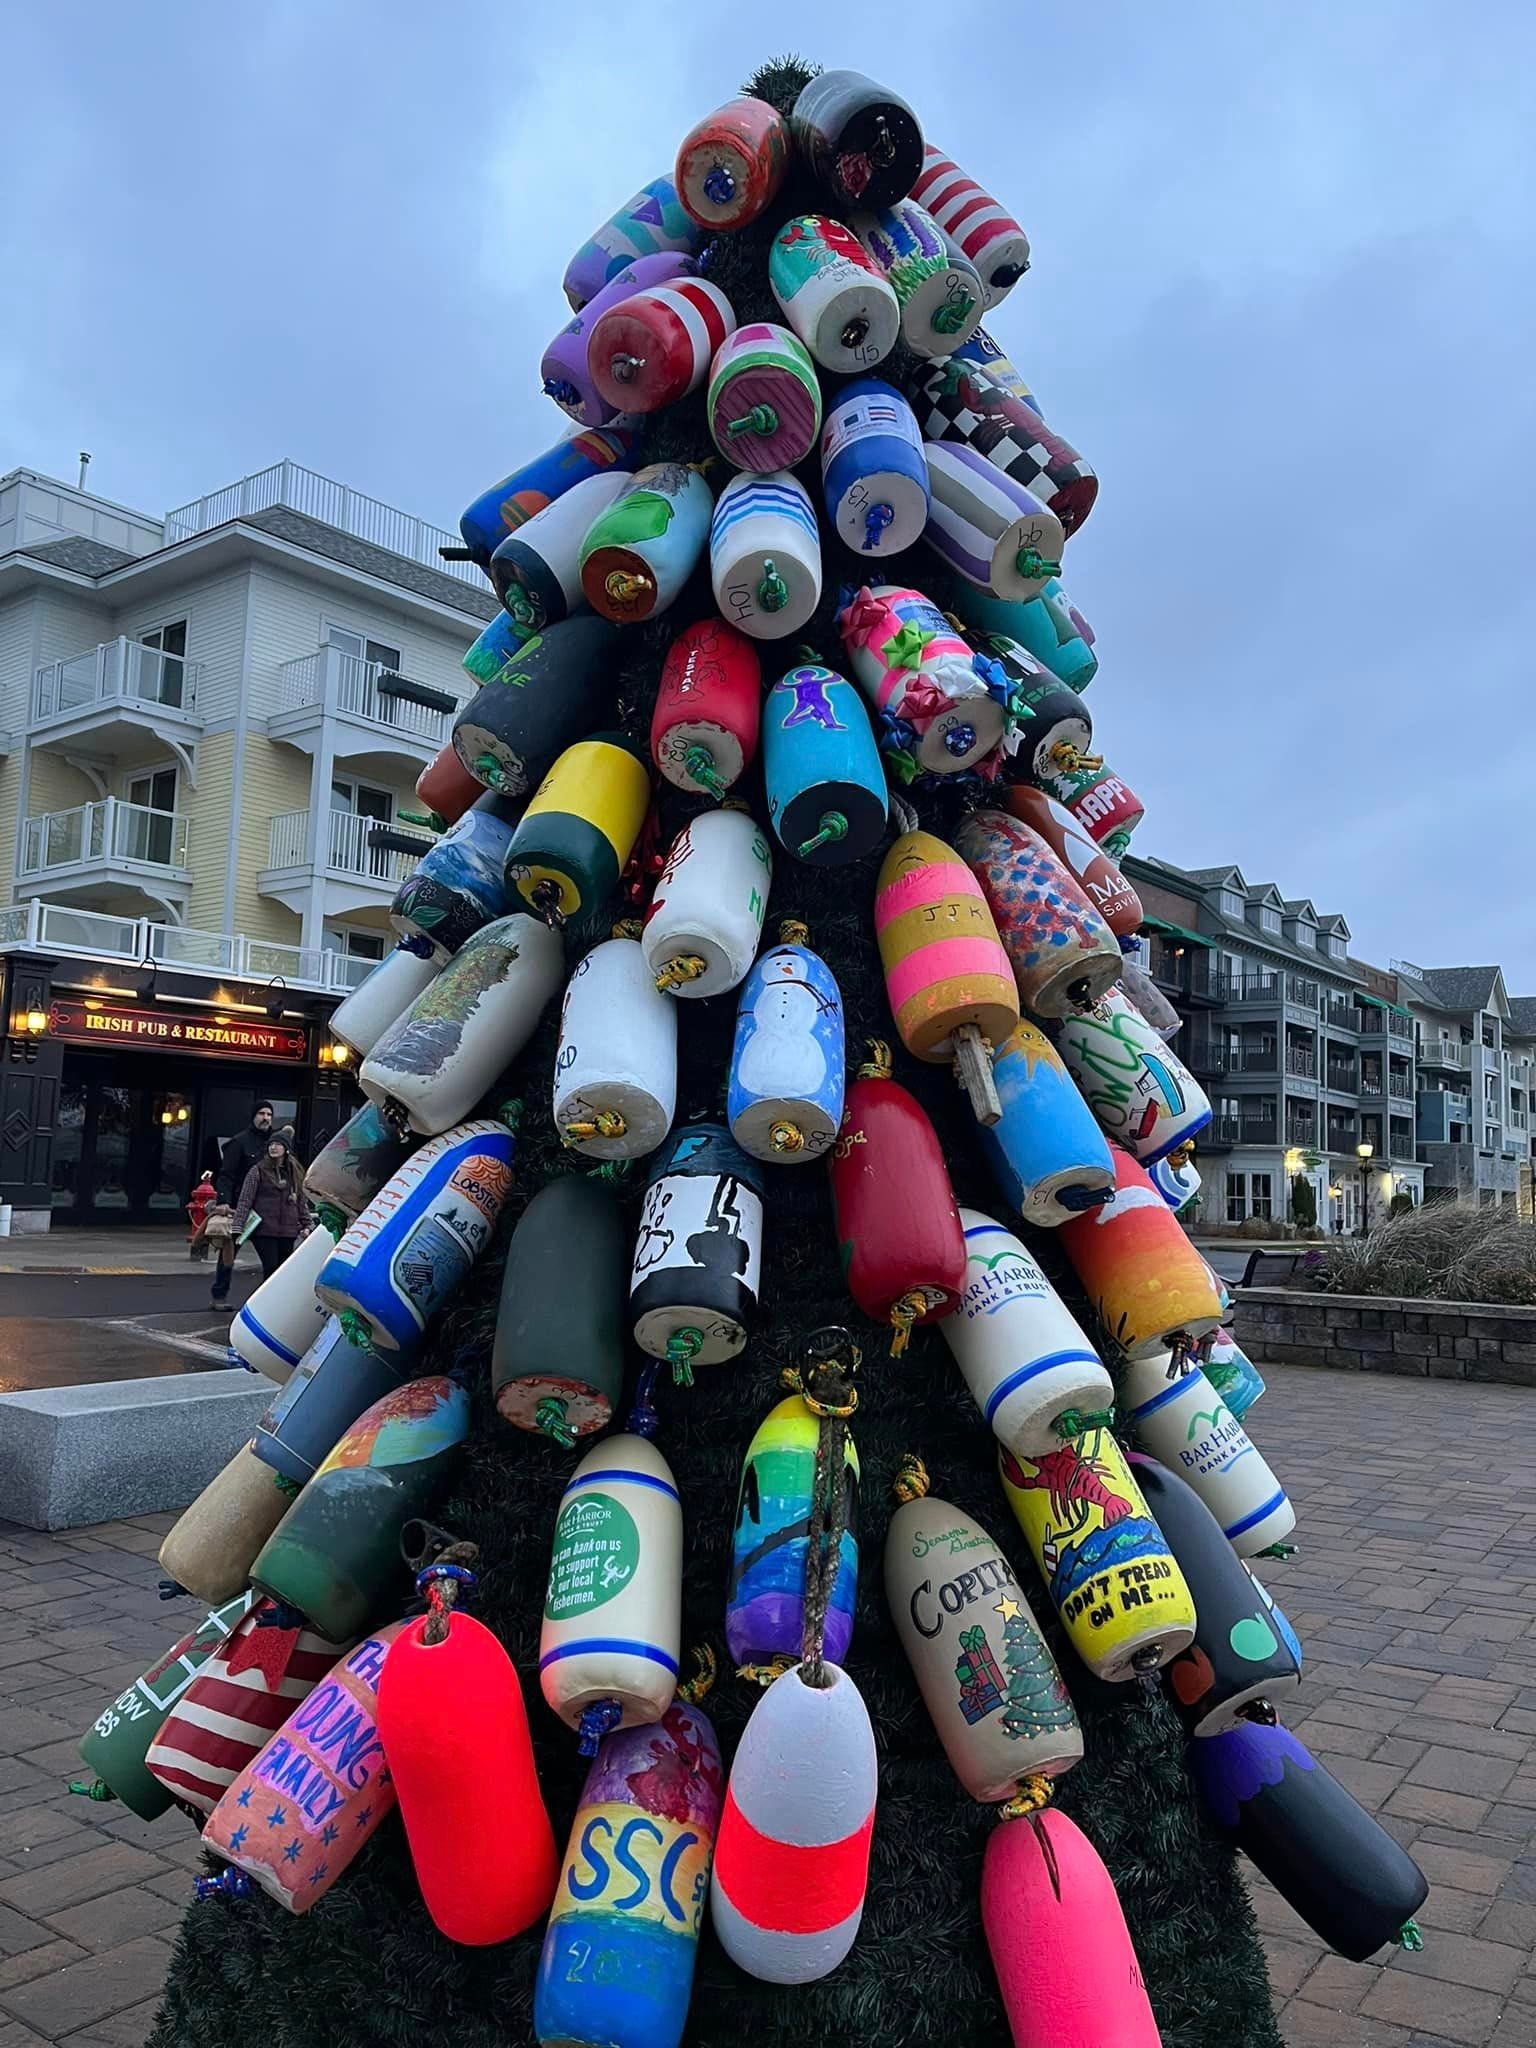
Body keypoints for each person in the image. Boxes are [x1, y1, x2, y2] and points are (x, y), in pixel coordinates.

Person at [231, 1136, 312, 1282]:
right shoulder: (257, 1171)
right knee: (270, 1266)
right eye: (271, 1144)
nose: (273, 1147)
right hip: (264, 1229)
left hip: (288, 1229)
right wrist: (238, 1226)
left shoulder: (293, 1172)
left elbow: (300, 1200)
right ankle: (263, 1302)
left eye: (278, 1144)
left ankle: (279, 1301)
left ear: (286, 1149)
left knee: (283, 1269)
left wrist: (307, 1224)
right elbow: (245, 1200)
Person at [216, 1101, 275, 1206]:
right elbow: (227, 1175)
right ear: (253, 1116)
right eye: (261, 1113)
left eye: (269, 1114)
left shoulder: (276, 1142)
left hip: (271, 1202)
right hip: (244, 1202)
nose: (265, 1117)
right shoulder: (239, 1142)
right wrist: (224, 1201)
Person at [186, 1170, 217, 1260]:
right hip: (202, 1226)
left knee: (199, 1236)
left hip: (199, 1227)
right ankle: (200, 1253)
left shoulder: (198, 1206)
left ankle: (197, 1253)